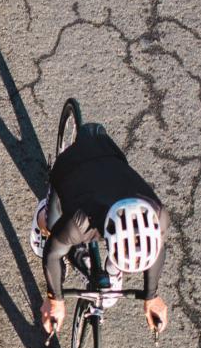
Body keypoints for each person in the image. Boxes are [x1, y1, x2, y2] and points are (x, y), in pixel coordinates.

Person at [31, 122, 171, 335]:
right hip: (73, 167)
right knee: (52, 227)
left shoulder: (158, 217)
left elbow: (157, 248)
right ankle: (41, 214)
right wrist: (54, 299)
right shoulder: (81, 223)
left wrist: (151, 296)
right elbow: (52, 254)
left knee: (125, 245)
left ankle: (112, 269)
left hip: (110, 158)